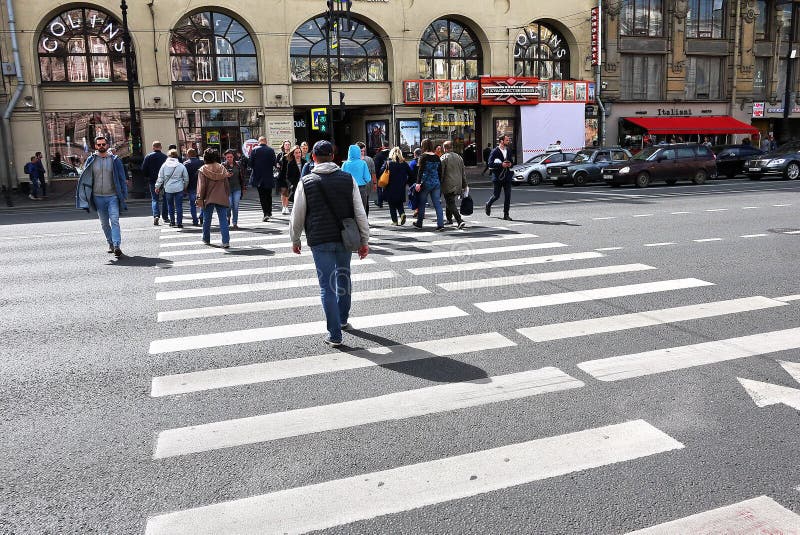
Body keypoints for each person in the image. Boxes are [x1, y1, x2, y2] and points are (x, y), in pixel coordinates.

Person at [289, 140, 369, 347]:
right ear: (333, 157)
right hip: (344, 238)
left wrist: (295, 239)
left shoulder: (306, 181)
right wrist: (364, 240)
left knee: (327, 286)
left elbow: (297, 214)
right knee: (344, 277)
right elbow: (360, 212)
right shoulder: (348, 179)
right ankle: (343, 319)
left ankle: (335, 335)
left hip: (319, 239)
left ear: (313, 157)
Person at [75, 135, 128, 257]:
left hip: (113, 196)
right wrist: (84, 195)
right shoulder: (91, 160)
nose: (101, 146)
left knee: (114, 220)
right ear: (95, 146)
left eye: (103, 144)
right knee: (104, 223)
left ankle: (117, 245)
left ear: (107, 145)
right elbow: (85, 177)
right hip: (97, 197)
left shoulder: (115, 160)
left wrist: (124, 194)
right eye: (99, 145)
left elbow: (122, 178)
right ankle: (110, 243)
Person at [195, 149, 231, 248]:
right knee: (223, 219)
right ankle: (226, 241)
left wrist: (199, 198)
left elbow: (201, 186)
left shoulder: (203, 169)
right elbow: (226, 184)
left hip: (208, 197)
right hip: (221, 196)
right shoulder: (222, 168)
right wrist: (227, 194)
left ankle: (206, 238)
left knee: (207, 219)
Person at [413, 138, 445, 231]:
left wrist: (418, 183)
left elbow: (420, 171)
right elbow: (440, 171)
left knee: (422, 203)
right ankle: (440, 225)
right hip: (436, 182)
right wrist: (439, 181)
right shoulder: (437, 157)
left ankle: (419, 223)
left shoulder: (423, 156)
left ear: (423, 146)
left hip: (426, 182)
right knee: (437, 204)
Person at [155, 148, 189, 228]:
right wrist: (185, 187)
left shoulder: (164, 165)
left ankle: (172, 222)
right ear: (176, 156)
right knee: (179, 206)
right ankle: (179, 223)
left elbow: (160, 177)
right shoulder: (181, 166)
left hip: (168, 189)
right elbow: (186, 178)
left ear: (168, 156)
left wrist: (157, 186)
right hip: (179, 188)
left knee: (170, 206)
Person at [485, 135, 513, 221]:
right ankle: (488, 204)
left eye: (508, 140)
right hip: (498, 177)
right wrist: (501, 165)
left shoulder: (508, 150)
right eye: (507, 140)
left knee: (508, 196)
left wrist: (510, 164)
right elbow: (490, 164)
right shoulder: (494, 151)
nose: (508, 141)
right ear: (501, 141)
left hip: (507, 177)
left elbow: (512, 161)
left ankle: (506, 214)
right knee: (496, 196)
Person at [248, 136, 277, 221]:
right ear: (266, 141)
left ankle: (266, 213)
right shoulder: (271, 150)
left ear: (258, 142)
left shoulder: (254, 150)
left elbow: (250, 163)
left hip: (258, 177)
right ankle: (269, 212)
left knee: (262, 196)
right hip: (268, 176)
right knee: (269, 195)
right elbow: (274, 163)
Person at [440, 141, 468, 229]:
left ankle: (459, 220)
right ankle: (449, 219)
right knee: (450, 201)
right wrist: (465, 185)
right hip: (458, 183)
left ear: (444, 148)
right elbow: (463, 172)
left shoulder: (443, 158)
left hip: (448, 183)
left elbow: (441, 173)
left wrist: (439, 183)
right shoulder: (459, 157)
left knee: (450, 202)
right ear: (451, 147)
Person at [382, 147, 412, 225]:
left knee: (391, 204)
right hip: (401, 186)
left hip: (390, 186)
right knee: (399, 202)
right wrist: (406, 182)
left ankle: (395, 221)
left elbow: (381, 172)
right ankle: (402, 213)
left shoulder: (388, 163)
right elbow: (411, 174)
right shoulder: (404, 163)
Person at [142, 141, 169, 225]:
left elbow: (144, 169)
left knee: (155, 199)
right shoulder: (165, 157)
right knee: (165, 198)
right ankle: (165, 216)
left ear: (153, 147)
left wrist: (148, 176)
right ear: (161, 147)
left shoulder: (148, 156)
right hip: (164, 181)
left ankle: (156, 215)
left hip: (153, 180)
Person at [342, 144, 373, 216]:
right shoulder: (363, 163)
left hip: (348, 189)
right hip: (361, 189)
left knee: (350, 211)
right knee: (361, 211)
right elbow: (368, 178)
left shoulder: (345, 164)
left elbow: (342, 178)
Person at [223, 149, 246, 230]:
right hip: (227, 189)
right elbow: (220, 177)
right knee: (229, 205)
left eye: (231, 157)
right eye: (227, 157)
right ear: (225, 157)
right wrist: (226, 175)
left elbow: (242, 177)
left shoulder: (238, 165)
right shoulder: (223, 166)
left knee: (235, 206)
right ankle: (228, 216)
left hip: (237, 188)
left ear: (233, 157)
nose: (229, 158)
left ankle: (235, 222)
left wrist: (244, 187)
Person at [183, 148, 203, 226]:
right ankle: (201, 216)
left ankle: (195, 220)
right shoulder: (201, 162)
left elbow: (184, 176)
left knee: (192, 204)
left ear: (188, 155)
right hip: (201, 185)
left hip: (190, 186)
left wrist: (185, 187)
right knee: (202, 203)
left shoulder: (186, 164)